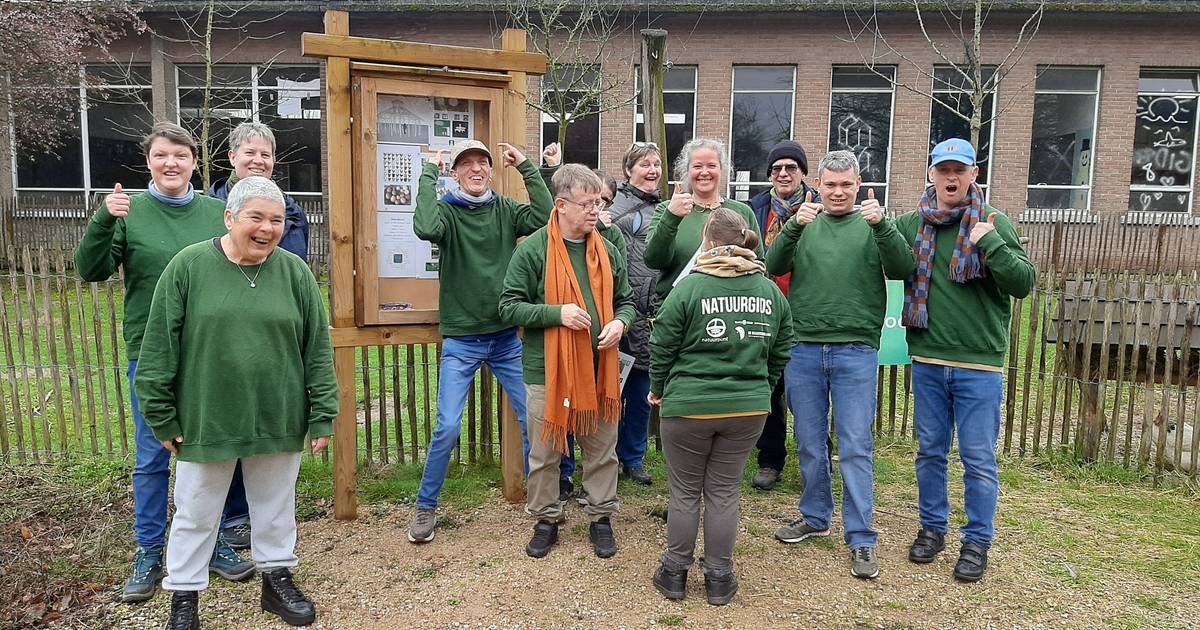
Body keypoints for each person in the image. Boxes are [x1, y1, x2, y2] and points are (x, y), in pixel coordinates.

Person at [136, 176, 338, 628]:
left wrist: (322, 413)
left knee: (274, 506)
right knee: (196, 512)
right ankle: (184, 599)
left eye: (277, 220)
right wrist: (162, 415)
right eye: (256, 218)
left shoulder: (294, 272)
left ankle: (276, 579)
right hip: (209, 415)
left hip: (278, 411)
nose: (267, 228)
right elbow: (158, 348)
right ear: (230, 217)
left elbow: (316, 349)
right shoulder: (188, 266)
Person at [74, 122, 253, 604]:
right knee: (153, 455)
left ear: (195, 162)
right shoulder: (129, 212)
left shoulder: (218, 213)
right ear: (149, 162)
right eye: (161, 155)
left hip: (209, 352)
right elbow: (91, 270)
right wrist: (102, 220)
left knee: (209, 450)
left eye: (180, 155)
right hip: (151, 352)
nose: (170, 163)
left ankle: (211, 541)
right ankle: (150, 550)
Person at [766, 151, 916, 580]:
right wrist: (794, 226)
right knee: (811, 442)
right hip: (805, 348)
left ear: (858, 184)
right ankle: (815, 517)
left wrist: (882, 225)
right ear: (819, 184)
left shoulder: (872, 225)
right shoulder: (804, 222)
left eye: (845, 185)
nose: (837, 192)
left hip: (856, 350)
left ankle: (862, 536)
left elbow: (903, 267)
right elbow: (774, 265)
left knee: (854, 446)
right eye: (830, 185)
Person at [896, 138, 1035, 582]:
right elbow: (878, 250)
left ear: (975, 174)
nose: (951, 178)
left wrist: (990, 243)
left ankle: (976, 541)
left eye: (960, 170)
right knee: (930, 453)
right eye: (943, 170)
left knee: (977, 458)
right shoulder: (912, 224)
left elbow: (1023, 283)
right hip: (929, 359)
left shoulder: (994, 222)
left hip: (979, 365)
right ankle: (932, 529)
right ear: (931, 174)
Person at [408, 139, 554, 544]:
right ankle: (426, 506)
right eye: (466, 164)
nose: (475, 169)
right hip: (462, 340)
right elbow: (424, 227)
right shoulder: (448, 213)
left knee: (533, 420)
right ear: (455, 173)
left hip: (507, 338)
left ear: (491, 170)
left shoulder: (505, 210)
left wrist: (527, 167)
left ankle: (542, 504)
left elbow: (545, 215)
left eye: (482, 163)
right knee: (448, 427)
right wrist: (426, 173)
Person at [648, 207, 792, 606]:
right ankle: (719, 578)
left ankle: (675, 572)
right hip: (747, 409)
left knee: (685, 492)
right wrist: (762, 385)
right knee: (725, 491)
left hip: (689, 406)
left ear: (707, 242)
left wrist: (658, 387)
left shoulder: (689, 288)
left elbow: (662, 345)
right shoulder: (768, 292)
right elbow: (783, 346)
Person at [500, 164, 635, 560]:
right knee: (545, 453)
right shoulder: (532, 250)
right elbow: (509, 307)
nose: (596, 210)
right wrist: (555, 313)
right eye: (587, 203)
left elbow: (626, 300)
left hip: (600, 369)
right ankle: (546, 518)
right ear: (561, 205)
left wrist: (619, 323)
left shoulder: (607, 249)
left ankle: (600, 517)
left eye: (599, 202)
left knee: (602, 449)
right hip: (548, 372)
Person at [207, 120, 312, 550]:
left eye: (265, 154)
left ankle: (265, 526)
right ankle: (230, 518)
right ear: (232, 158)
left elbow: (295, 265)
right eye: (249, 153)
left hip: (275, 332)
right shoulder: (210, 206)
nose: (258, 160)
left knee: (269, 428)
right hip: (223, 336)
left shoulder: (291, 209)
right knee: (228, 425)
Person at [746, 140, 819, 491]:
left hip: (806, 310)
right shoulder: (756, 208)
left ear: (803, 172)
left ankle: (818, 459)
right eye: (777, 169)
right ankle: (770, 459)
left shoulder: (819, 205)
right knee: (769, 390)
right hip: (767, 311)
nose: (784, 174)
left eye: (792, 167)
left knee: (809, 393)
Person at [644, 138, 764, 306]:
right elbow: (654, 260)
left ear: (722, 170)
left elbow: (758, 264)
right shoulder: (668, 209)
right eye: (697, 166)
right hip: (677, 309)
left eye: (711, 166)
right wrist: (671, 217)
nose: (704, 172)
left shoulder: (742, 212)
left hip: (727, 308)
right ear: (687, 171)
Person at [606, 142, 663, 487]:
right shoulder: (615, 205)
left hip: (652, 314)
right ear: (629, 170)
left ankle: (634, 458)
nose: (652, 170)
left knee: (642, 396)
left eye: (656, 164)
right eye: (645, 164)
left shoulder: (667, 208)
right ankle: (606, 456)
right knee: (612, 394)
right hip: (621, 312)